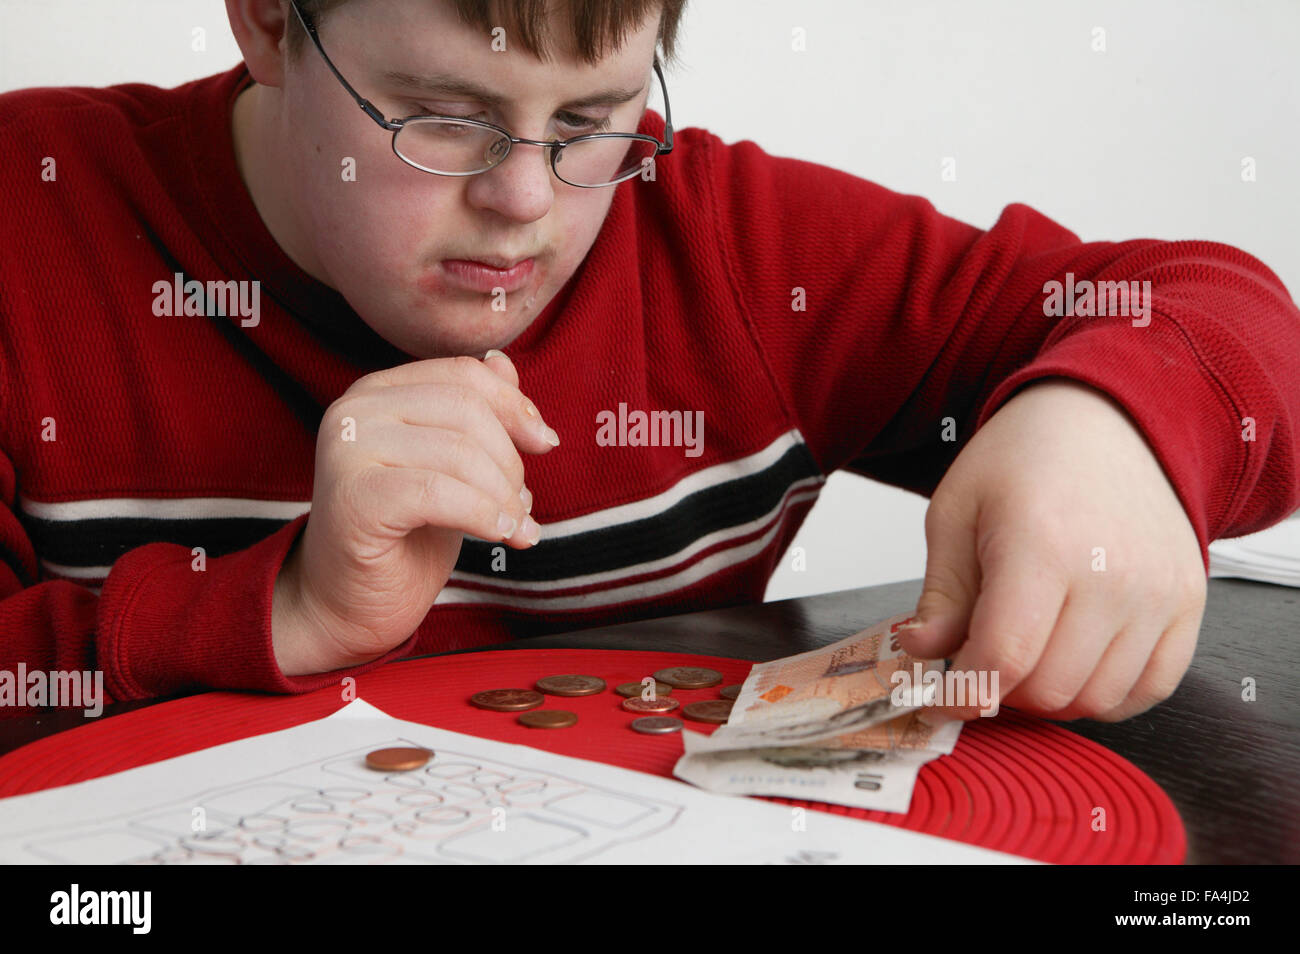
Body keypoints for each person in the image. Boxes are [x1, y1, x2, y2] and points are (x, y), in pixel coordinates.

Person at [0, 0, 1296, 725]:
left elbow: (1223, 312)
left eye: (589, 120)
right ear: (271, 24)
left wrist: (1112, 421)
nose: (523, 201)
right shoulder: (28, 218)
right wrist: (276, 611)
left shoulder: (733, 249)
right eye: (443, 119)